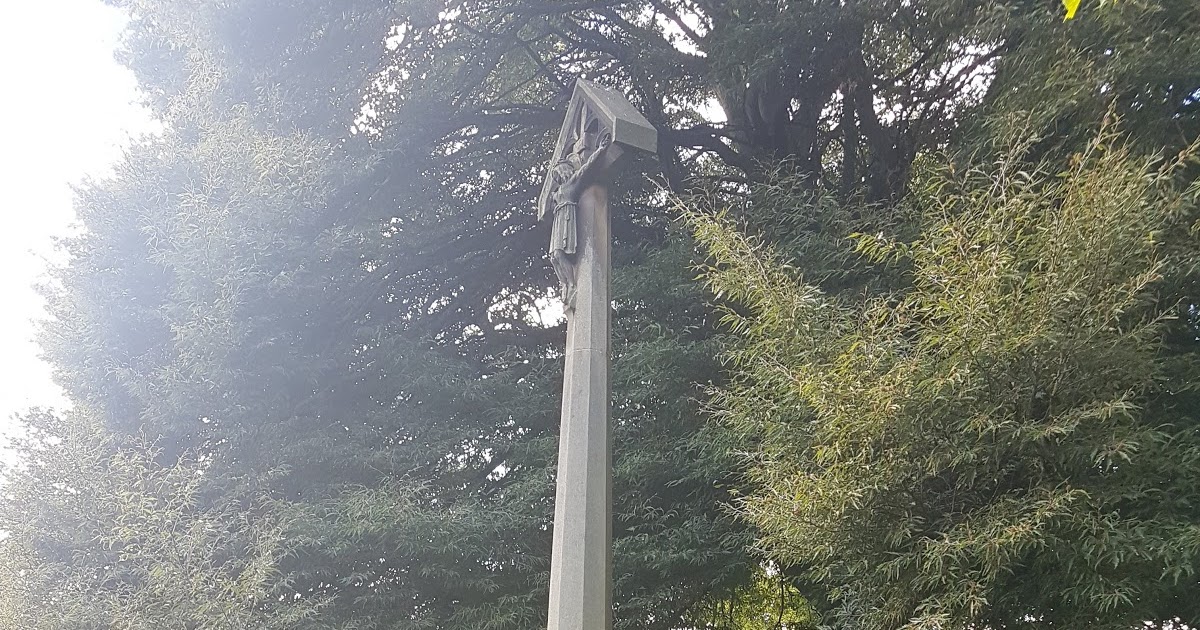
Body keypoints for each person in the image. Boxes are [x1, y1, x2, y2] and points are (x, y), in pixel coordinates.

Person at [547, 130, 611, 310]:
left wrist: (600, 150)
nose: (559, 175)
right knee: (553, 257)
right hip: (559, 218)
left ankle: (572, 284)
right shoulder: (556, 192)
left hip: (568, 215)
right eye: (556, 174)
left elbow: (586, 168)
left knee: (560, 254)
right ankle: (565, 284)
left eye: (560, 172)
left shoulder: (572, 182)